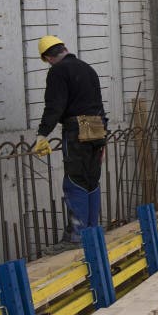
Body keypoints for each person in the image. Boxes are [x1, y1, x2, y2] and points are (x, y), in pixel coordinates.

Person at [32, 36, 107, 254]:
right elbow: (99, 104)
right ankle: (91, 231)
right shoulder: (88, 69)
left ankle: (76, 237)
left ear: (47, 57)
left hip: (76, 126)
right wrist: (103, 139)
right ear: (64, 48)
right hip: (96, 124)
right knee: (91, 180)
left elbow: (54, 105)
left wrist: (42, 134)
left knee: (75, 180)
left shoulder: (57, 71)